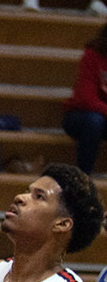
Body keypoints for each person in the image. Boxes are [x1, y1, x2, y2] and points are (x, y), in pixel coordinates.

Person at [62, 20, 107, 174]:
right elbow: (86, 99)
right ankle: (82, 178)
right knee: (94, 121)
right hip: (81, 115)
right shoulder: (93, 56)